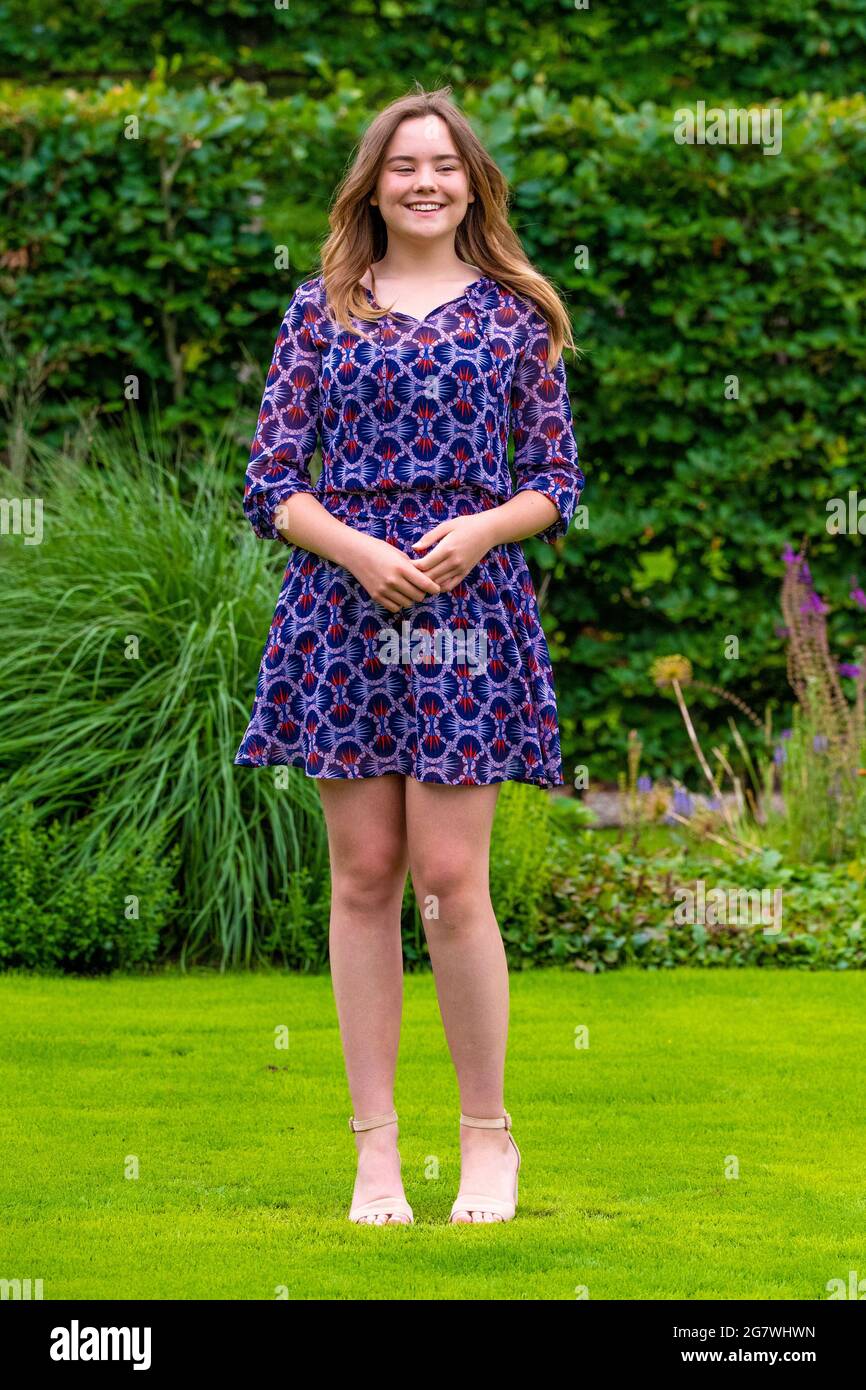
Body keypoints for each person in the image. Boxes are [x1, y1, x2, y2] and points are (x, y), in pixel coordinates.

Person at [235, 86, 584, 1225]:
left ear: (471, 182)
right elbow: (270, 484)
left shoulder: (515, 314)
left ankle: (489, 1138)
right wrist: (355, 552)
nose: (423, 181)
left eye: (443, 164)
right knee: (363, 878)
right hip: (340, 611)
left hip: (467, 615)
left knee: (447, 882)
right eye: (402, 166)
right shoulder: (320, 307)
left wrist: (483, 526)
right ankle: (373, 1152)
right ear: (371, 185)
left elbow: (554, 483)